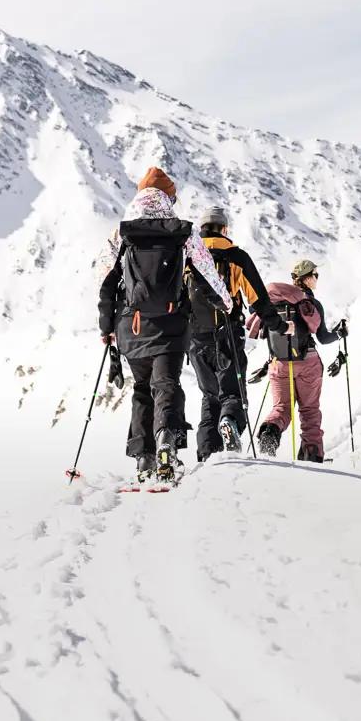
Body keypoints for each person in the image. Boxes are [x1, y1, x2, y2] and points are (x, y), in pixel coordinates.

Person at [96, 167, 235, 485]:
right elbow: (207, 275)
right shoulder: (183, 232)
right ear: (168, 198)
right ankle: (166, 446)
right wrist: (224, 304)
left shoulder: (122, 233)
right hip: (172, 325)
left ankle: (144, 457)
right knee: (167, 384)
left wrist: (106, 326)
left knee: (142, 389)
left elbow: (105, 282)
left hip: (131, 326)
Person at [192, 204, 271, 461]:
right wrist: (279, 326)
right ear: (224, 229)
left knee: (209, 396)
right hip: (227, 334)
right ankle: (230, 423)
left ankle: (206, 454)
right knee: (233, 392)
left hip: (195, 339)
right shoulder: (236, 257)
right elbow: (258, 299)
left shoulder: (188, 256)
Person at [252, 260, 346, 461]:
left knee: (281, 408)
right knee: (309, 410)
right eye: (315, 275)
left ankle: (270, 431)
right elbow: (323, 337)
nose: (317, 279)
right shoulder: (310, 303)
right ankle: (312, 453)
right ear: (306, 278)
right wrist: (339, 334)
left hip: (279, 364)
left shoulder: (271, 302)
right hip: (308, 363)